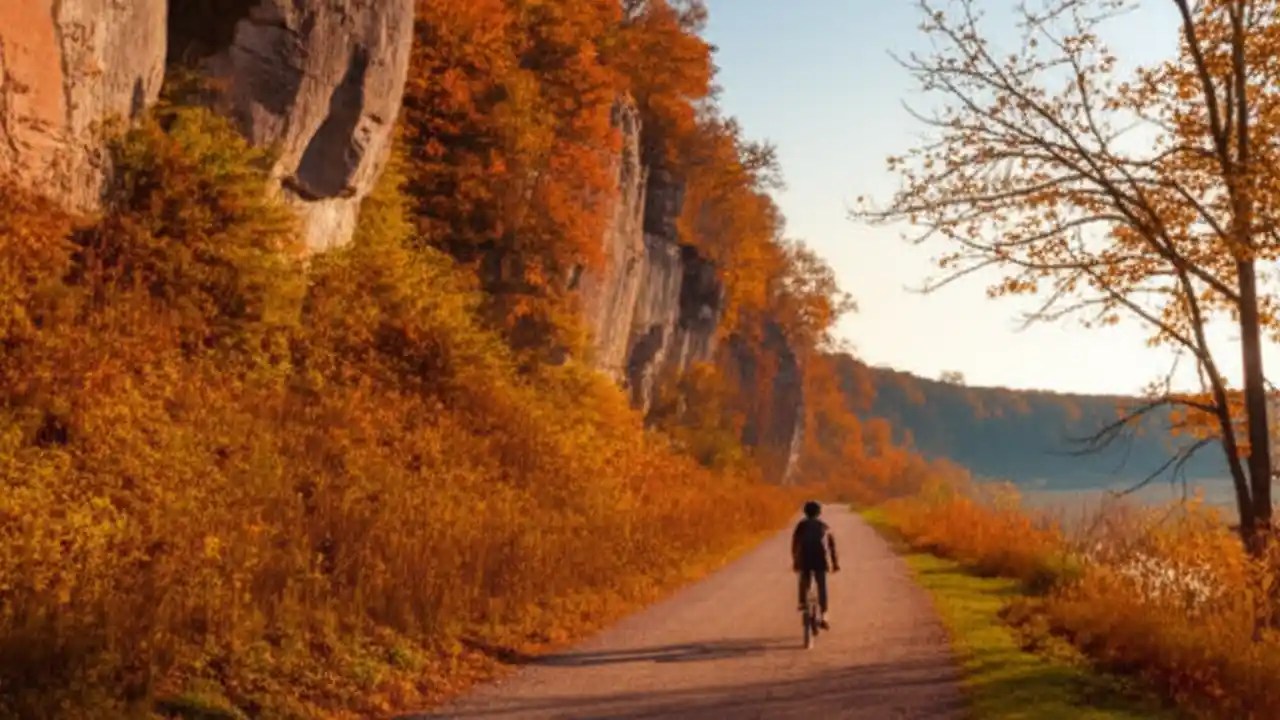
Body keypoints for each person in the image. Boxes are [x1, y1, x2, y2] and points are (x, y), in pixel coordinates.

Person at [791, 500, 839, 628]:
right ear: (819, 513)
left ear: (805, 512)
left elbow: (795, 544)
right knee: (821, 586)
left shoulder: (801, 526)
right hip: (820, 560)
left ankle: (802, 602)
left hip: (804, 560)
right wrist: (835, 563)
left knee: (803, 580)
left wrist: (795, 561)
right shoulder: (824, 526)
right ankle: (824, 614)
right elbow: (831, 546)